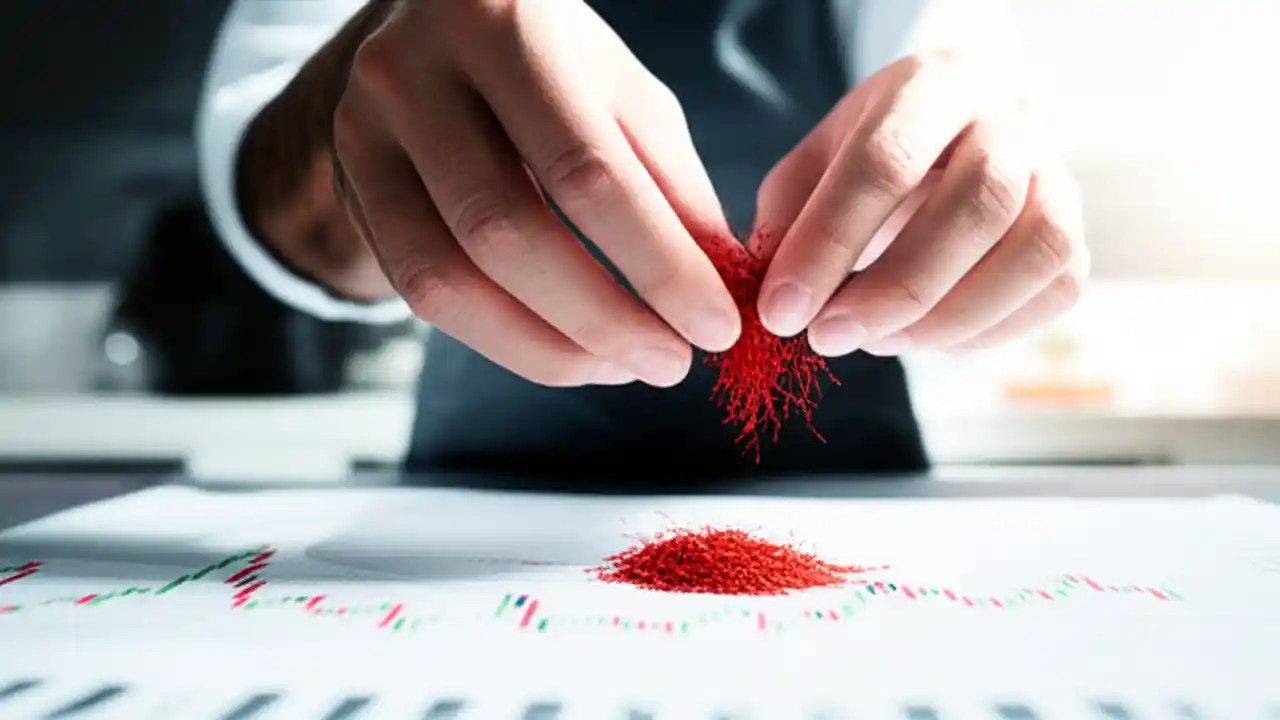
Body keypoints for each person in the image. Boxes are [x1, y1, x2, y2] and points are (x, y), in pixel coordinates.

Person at [197, 0, 1088, 477]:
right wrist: (379, 53)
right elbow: (281, 213)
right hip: (481, 507)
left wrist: (984, 147)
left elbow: (959, 61)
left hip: (848, 501)